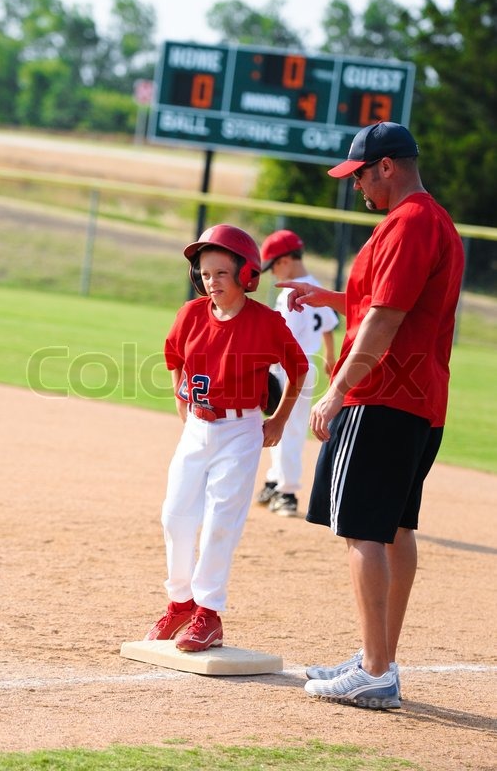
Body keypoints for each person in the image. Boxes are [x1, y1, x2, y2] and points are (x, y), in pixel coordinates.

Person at [279, 122, 464, 709]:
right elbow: (394, 305)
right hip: (419, 398)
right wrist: (335, 300)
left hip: (381, 395)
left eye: (359, 173)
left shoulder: (409, 223)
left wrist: (337, 389)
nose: (356, 184)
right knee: (395, 529)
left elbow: (383, 323)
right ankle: (375, 656)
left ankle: (378, 671)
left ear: (387, 166)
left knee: (362, 529)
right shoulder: (434, 221)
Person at [145, 224, 308, 652]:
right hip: (198, 427)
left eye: (220, 273)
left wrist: (278, 420)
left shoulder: (266, 323)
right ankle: (181, 602)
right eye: (203, 273)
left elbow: (299, 369)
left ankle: (208, 614)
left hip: (240, 430)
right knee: (175, 514)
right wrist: (180, 399)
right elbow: (174, 357)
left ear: (246, 275)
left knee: (220, 522)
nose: (209, 282)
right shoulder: (190, 314)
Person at [256, 229, 338, 516]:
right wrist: (329, 354)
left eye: (275, 265)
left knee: (285, 428)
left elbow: (283, 337)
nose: (273, 272)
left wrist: (263, 363)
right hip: (306, 367)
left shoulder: (292, 291)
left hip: (290, 369)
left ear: (288, 259)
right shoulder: (314, 285)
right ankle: (275, 478)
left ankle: (287, 492)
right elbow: (329, 324)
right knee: (281, 425)